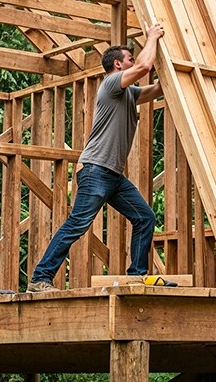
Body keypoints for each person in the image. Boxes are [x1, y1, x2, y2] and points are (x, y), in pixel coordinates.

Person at [26, 23, 165, 293]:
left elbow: (155, 89)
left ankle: (136, 275)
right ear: (117, 65)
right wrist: (152, 37)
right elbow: (145, 68)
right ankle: (40, 278)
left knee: (144, 217)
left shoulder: (128, 94)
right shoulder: (112, 84)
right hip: (96, 170)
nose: (133, 62)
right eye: (129, 59)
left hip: (113, 175)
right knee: (77, 224)